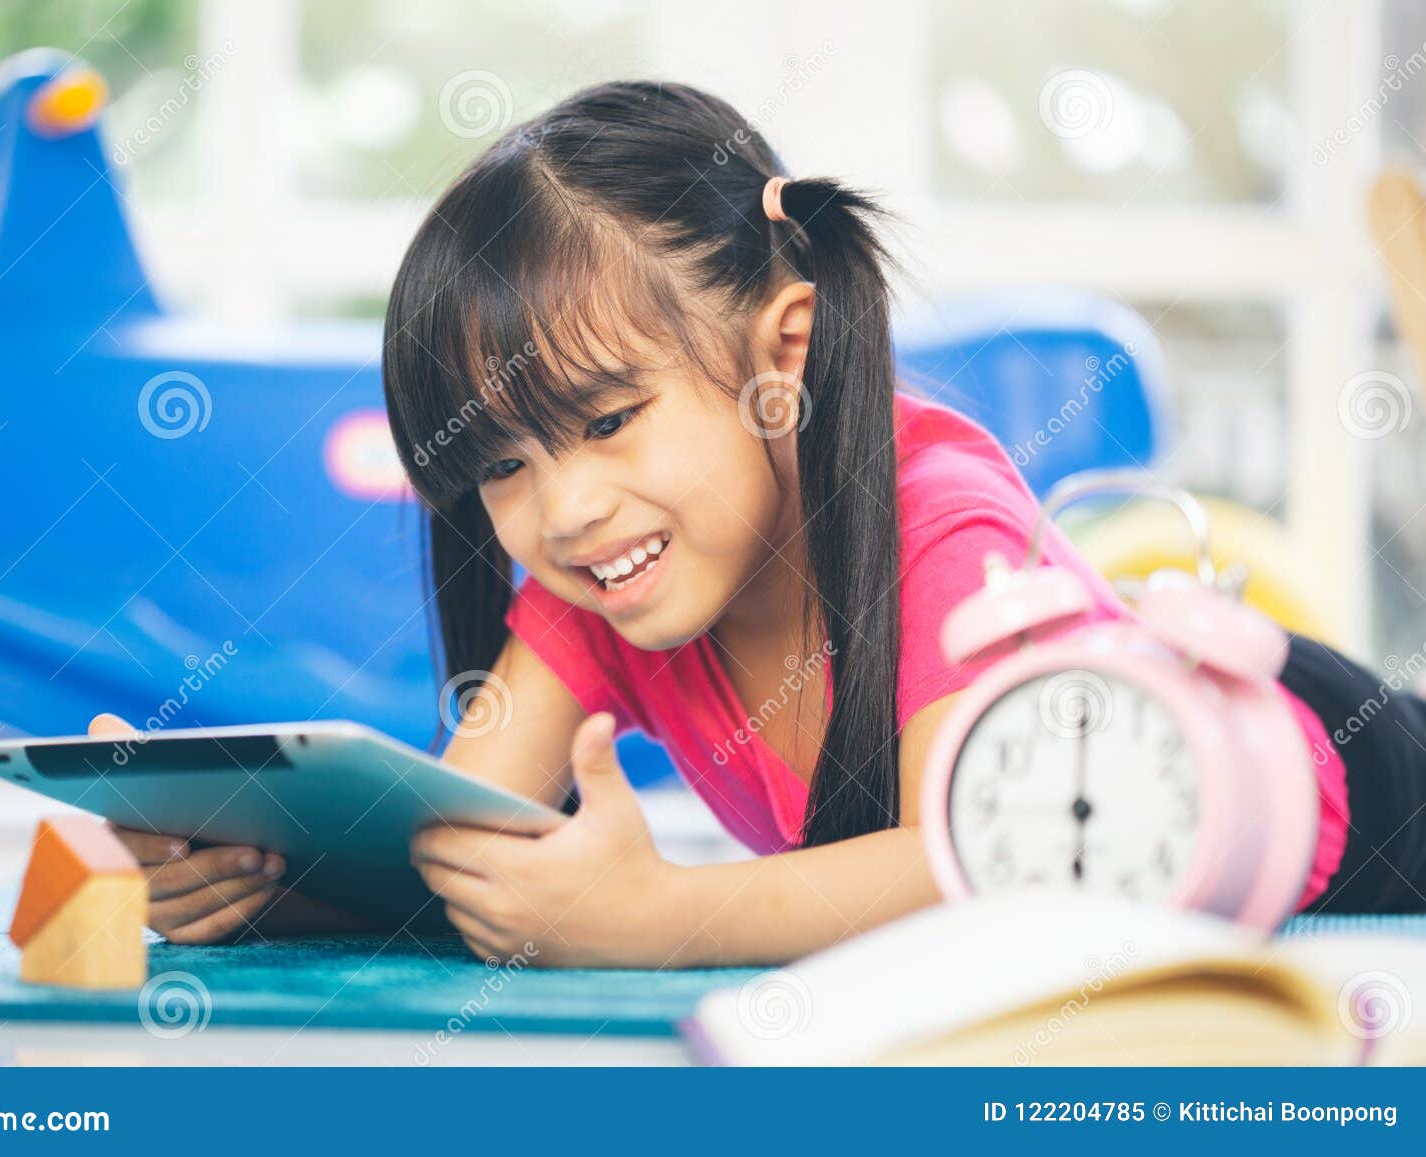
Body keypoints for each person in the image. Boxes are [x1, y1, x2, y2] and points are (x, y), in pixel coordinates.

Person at [95, 81, 1426, 966]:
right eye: (502, 464)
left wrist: (662, 916)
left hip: (1350, 809)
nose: (562, 509)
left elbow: (985, 873)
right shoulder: (595, 580)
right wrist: (277, 881)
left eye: (608, 420)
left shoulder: (942, 531)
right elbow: (470, 837)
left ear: (779, 355)